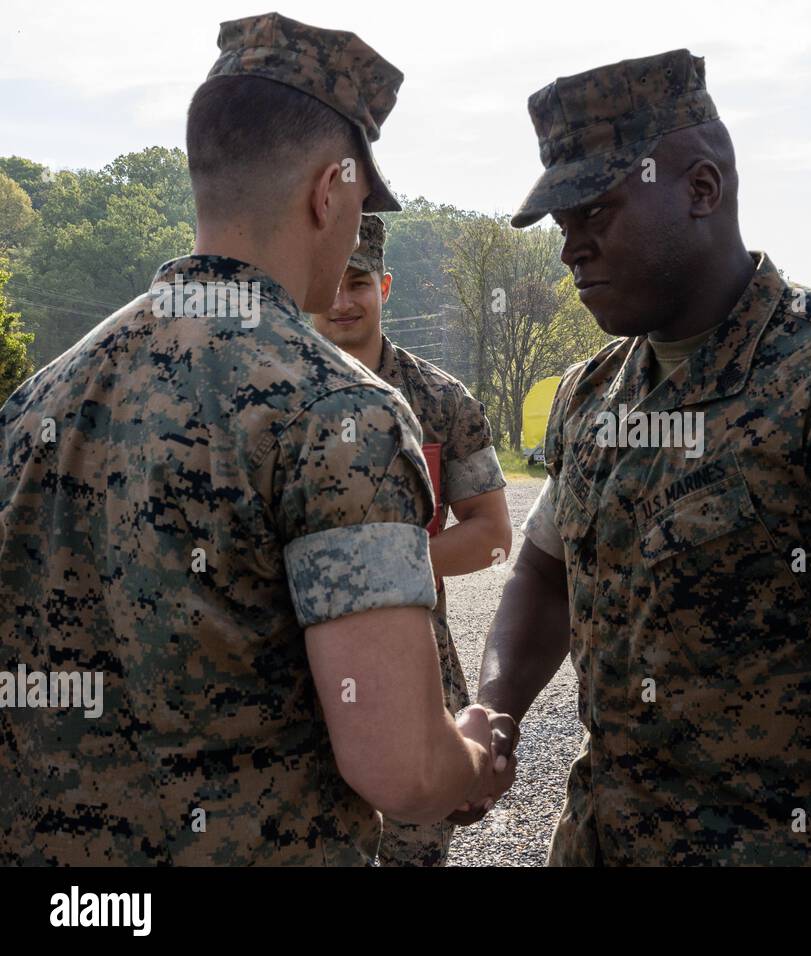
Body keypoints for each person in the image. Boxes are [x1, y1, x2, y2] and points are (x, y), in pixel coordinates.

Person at [0, 11, 511, 865]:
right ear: (329, 191)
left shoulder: (36, 402)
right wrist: (472, 757)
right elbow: (402, 767)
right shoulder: (342, 414)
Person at [473, 49, 811, 865]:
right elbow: (543, 575)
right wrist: (496, 708)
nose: (571, 249)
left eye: (596, 213)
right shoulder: (593, 394)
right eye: (562, 226)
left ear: (701, 189)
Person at [310, 213, 513, 865]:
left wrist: (382, 569)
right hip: (297, 677)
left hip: (418, 669)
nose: (343, 300)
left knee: (416, 841)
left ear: (385, 287)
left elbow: (492, 533)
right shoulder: (269, 399)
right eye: (329, 282)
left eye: (359, 282)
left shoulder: (441, 399)